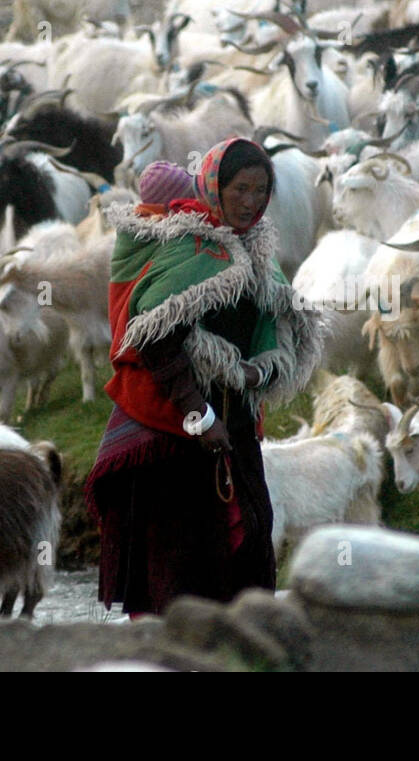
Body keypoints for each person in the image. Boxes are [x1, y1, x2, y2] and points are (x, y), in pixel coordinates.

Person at [84, 138, 322, 616]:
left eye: (261, 190)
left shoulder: (255, 247)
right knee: (184, 555)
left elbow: (273, 319)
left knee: (251, 539)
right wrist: (199, 414)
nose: (251, 201)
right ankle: (178, 653)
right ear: (216, 185)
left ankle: (240, 650)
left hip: (234, 423)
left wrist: (260, 368)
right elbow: (153, 335)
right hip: (175, 429)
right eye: (240, 188)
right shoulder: (186, 245)